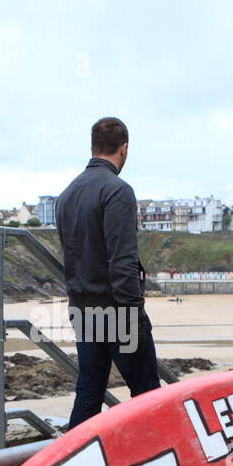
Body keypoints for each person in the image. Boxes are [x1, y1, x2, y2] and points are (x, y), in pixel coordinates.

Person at [54, 116, 161, 429]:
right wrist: (133, 314)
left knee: (89, 390)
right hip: (117, 309)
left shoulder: (67, 194)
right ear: (124, 149)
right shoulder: (118, 191)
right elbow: (123, 260)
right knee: (147, 395)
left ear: (92, 147)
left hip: (82, 308)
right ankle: (152, 465)